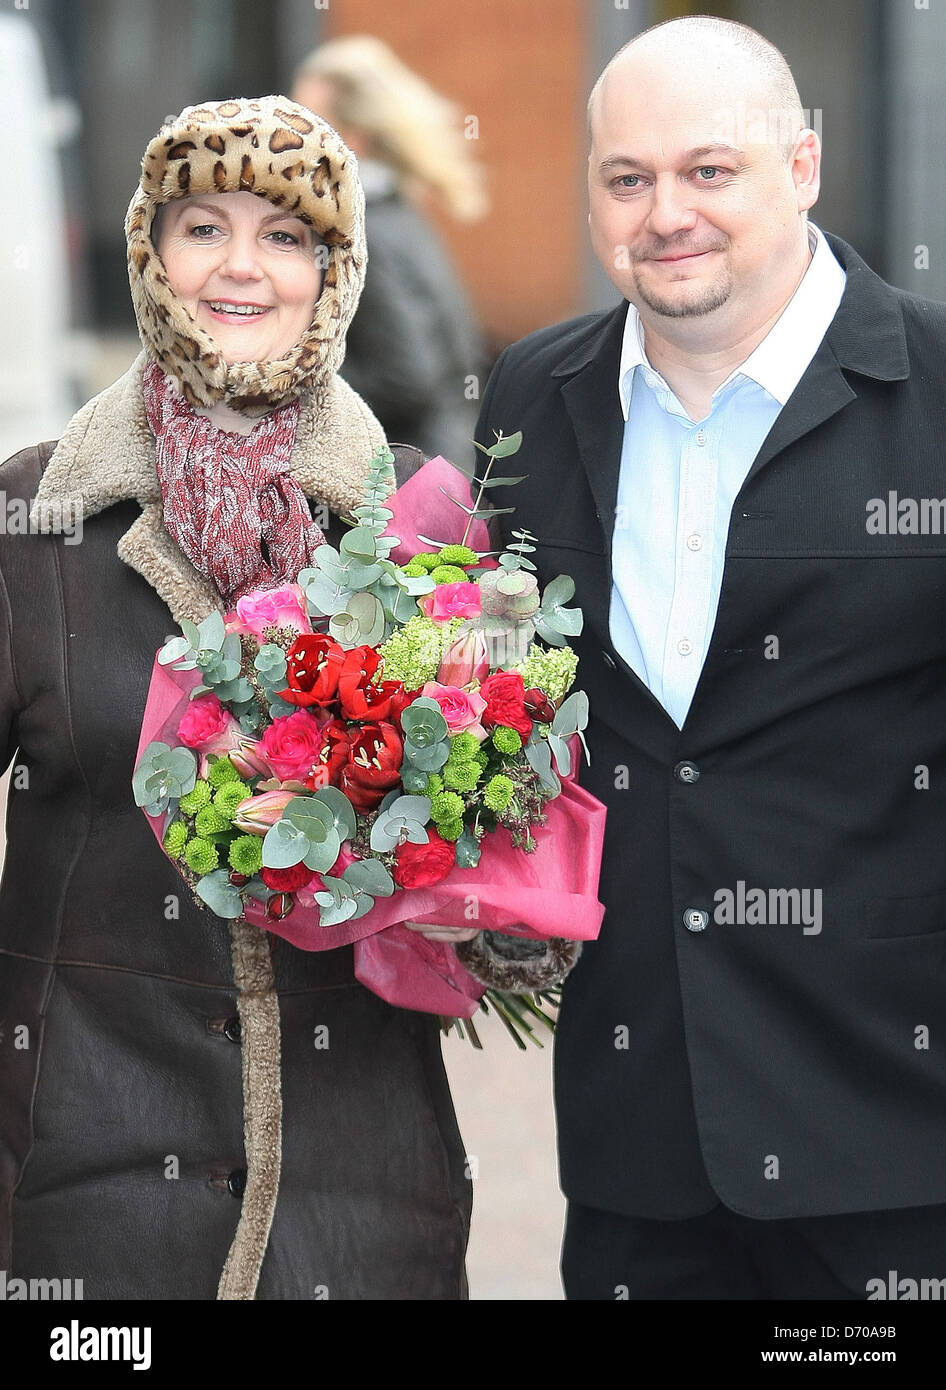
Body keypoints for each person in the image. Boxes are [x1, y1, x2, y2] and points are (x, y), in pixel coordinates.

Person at [0, 94, 560, 1302]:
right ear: (150, 253)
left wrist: (482, 911)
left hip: (359, 1190)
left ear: (336, 268)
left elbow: (523, 836)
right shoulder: (36, 516)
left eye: (287, 235)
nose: (241, 268)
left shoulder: (423, 526)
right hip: (89, 1181)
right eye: (202, 227)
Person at [475, 16, 946, 1300]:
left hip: (897, 1148)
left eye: (708, 171)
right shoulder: (530, 395)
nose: (664, 212)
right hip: (638, 1147)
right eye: (626, 179)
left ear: (799, 166)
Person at [292, 35, 487, 470]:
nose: (289, 142)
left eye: (306, 126)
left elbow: (408, 377)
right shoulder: (397, 211)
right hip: (443, 467)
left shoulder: (364, 232)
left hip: (405, 486)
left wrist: (290, 372)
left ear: (352, 139)